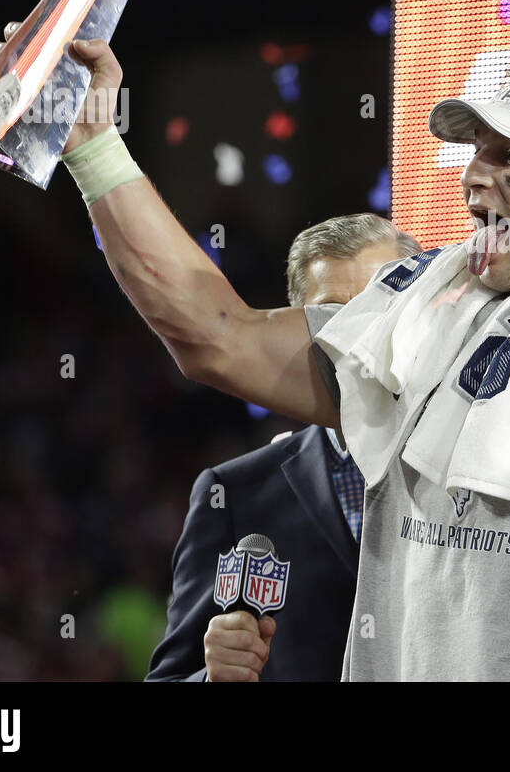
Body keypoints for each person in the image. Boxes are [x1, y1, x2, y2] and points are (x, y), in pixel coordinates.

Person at [44, 34, 510, 681]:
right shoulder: (420, 307)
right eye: (475, 152)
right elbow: (216, 335)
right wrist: (92, 143)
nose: (474, 177)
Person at [146, 214, 421, 682]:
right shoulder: (236, 494)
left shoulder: (478, 465)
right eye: (331, 313)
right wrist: (213, 678)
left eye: (382, 305)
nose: (360, 335)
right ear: (298, 329)